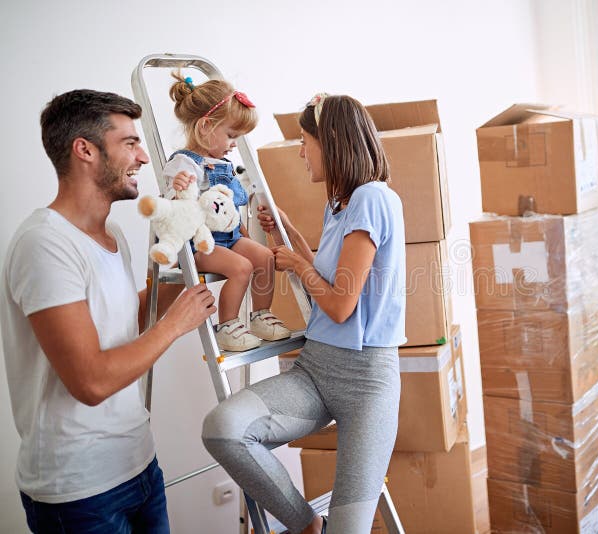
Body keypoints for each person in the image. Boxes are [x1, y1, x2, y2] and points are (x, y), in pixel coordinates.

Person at [0, 89, 217, 533]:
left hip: (139, 464)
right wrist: (175, 326)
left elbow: (123, 322)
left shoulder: (113, 233)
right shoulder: (45, 244)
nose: (141, 157)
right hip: (80, 493)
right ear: (85, 150)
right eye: (129, 143)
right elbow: (91, 381)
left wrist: (187, 271)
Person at [201, 93, 406, 534]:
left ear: (330, 142)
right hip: (315, 371)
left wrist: (296, 264)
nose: (301, 152)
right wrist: (288, 231)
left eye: (304, 142)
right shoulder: (341, 204)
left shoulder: (372, 197)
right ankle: (310, 526)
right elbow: (330, 275)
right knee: (224, 429)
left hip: (366, 383)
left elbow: (338, 303)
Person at [163, 73, 290, 352]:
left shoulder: (222, 162)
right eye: (231, 135)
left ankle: (260, 316)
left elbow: (230, 206)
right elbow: (174, 205)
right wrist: (177, 187)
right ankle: (228, 326)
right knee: (241, 268)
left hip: (230, 236)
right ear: (206, 126)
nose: (234, 143)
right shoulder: (185, 163)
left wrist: (244, 233)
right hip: (201, 242)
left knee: (265, 258)